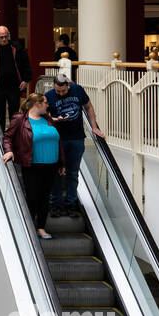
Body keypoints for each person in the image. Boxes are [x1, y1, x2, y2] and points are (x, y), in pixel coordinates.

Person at [3, 93, 64, 239]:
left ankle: (41, 228)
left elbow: (58, 141)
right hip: (32, 165)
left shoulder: (48, 119)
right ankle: (29, 227)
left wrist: (62, 162)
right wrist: (9, 151)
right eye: (45, 102)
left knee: (45, 197)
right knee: (32, 197)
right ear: (37, 104)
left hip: (51, 165)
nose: (47, 105)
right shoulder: (20, 120)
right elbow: (8, 137)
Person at [45, 74, 103, 217]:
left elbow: (88, 107)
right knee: (56, 173)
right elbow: (43, 115)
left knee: (73, 173)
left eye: (63, 91)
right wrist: (54, 119)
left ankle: (71, 204)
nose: (60, 94)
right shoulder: (49, 96)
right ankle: (55, 204)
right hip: (57, 139)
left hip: (77, 138)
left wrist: (94, 127)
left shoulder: (78, 90)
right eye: (58, 91)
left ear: (68, 85)